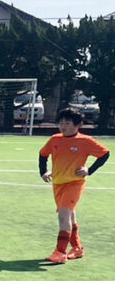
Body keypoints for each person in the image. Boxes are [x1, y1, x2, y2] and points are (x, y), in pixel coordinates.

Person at [39, 108, 110, 264]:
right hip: (58, 183)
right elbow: (43, 154)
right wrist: (43, 172)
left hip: (75, 183)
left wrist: (89, 170)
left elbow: (105, 154)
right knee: (70, 216)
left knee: (63, 215)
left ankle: (60, 252)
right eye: (61, 123)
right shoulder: (55, 139)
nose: (63, 126)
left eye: (67, 123)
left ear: (79, 125)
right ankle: (77, 249)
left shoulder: (85, 141)